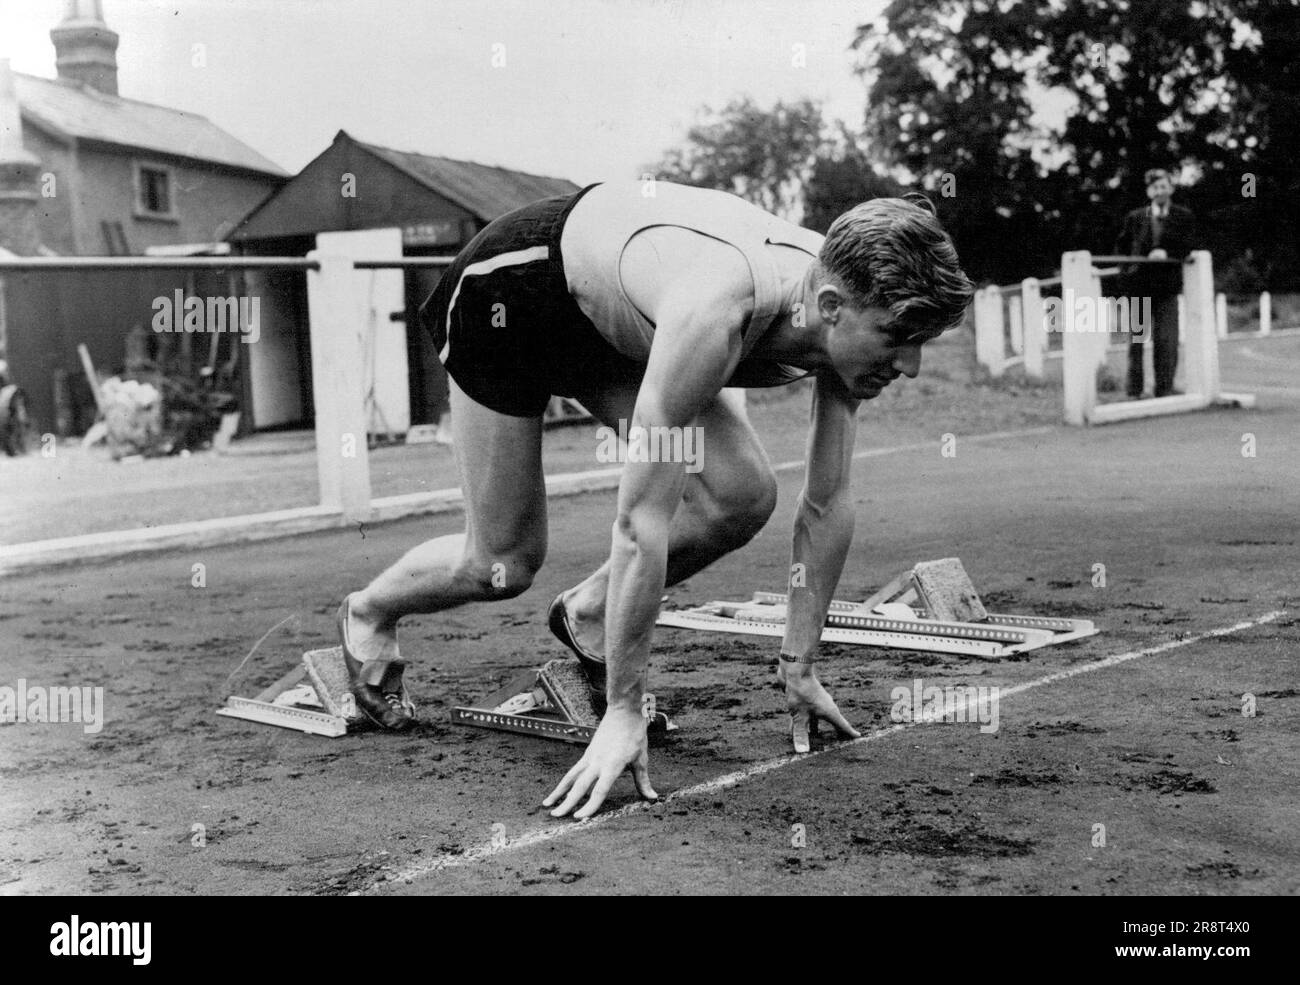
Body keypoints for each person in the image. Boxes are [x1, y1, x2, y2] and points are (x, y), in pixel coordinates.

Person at [334, 180, 973, 819]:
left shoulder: (848, 310)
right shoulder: (719, 308)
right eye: (898, 338)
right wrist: (622, 710)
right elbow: (642, 519)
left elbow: (828, 502)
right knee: (500, 563)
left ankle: (588, 615)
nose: (911, 364)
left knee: (741, 496)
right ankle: (369, 613)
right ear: (830, 305)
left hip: (611, 330)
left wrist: (799, 664)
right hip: (512, 295)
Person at [1113, 169, 1198, 399]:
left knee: (1167, 340)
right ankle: (1134, 389)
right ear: (1149, 191)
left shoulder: (1183, 216)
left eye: (1163, 186)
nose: (1160, 192)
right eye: (1155, 188)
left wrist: (1167, 252)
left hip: (1167, 287)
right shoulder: (1136, 217)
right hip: (1139, 287)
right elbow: (1122, 248)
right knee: (1136, 342)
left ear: (1171, 188)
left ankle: (1164, 387)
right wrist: (1127, 274)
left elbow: (1189, 244)